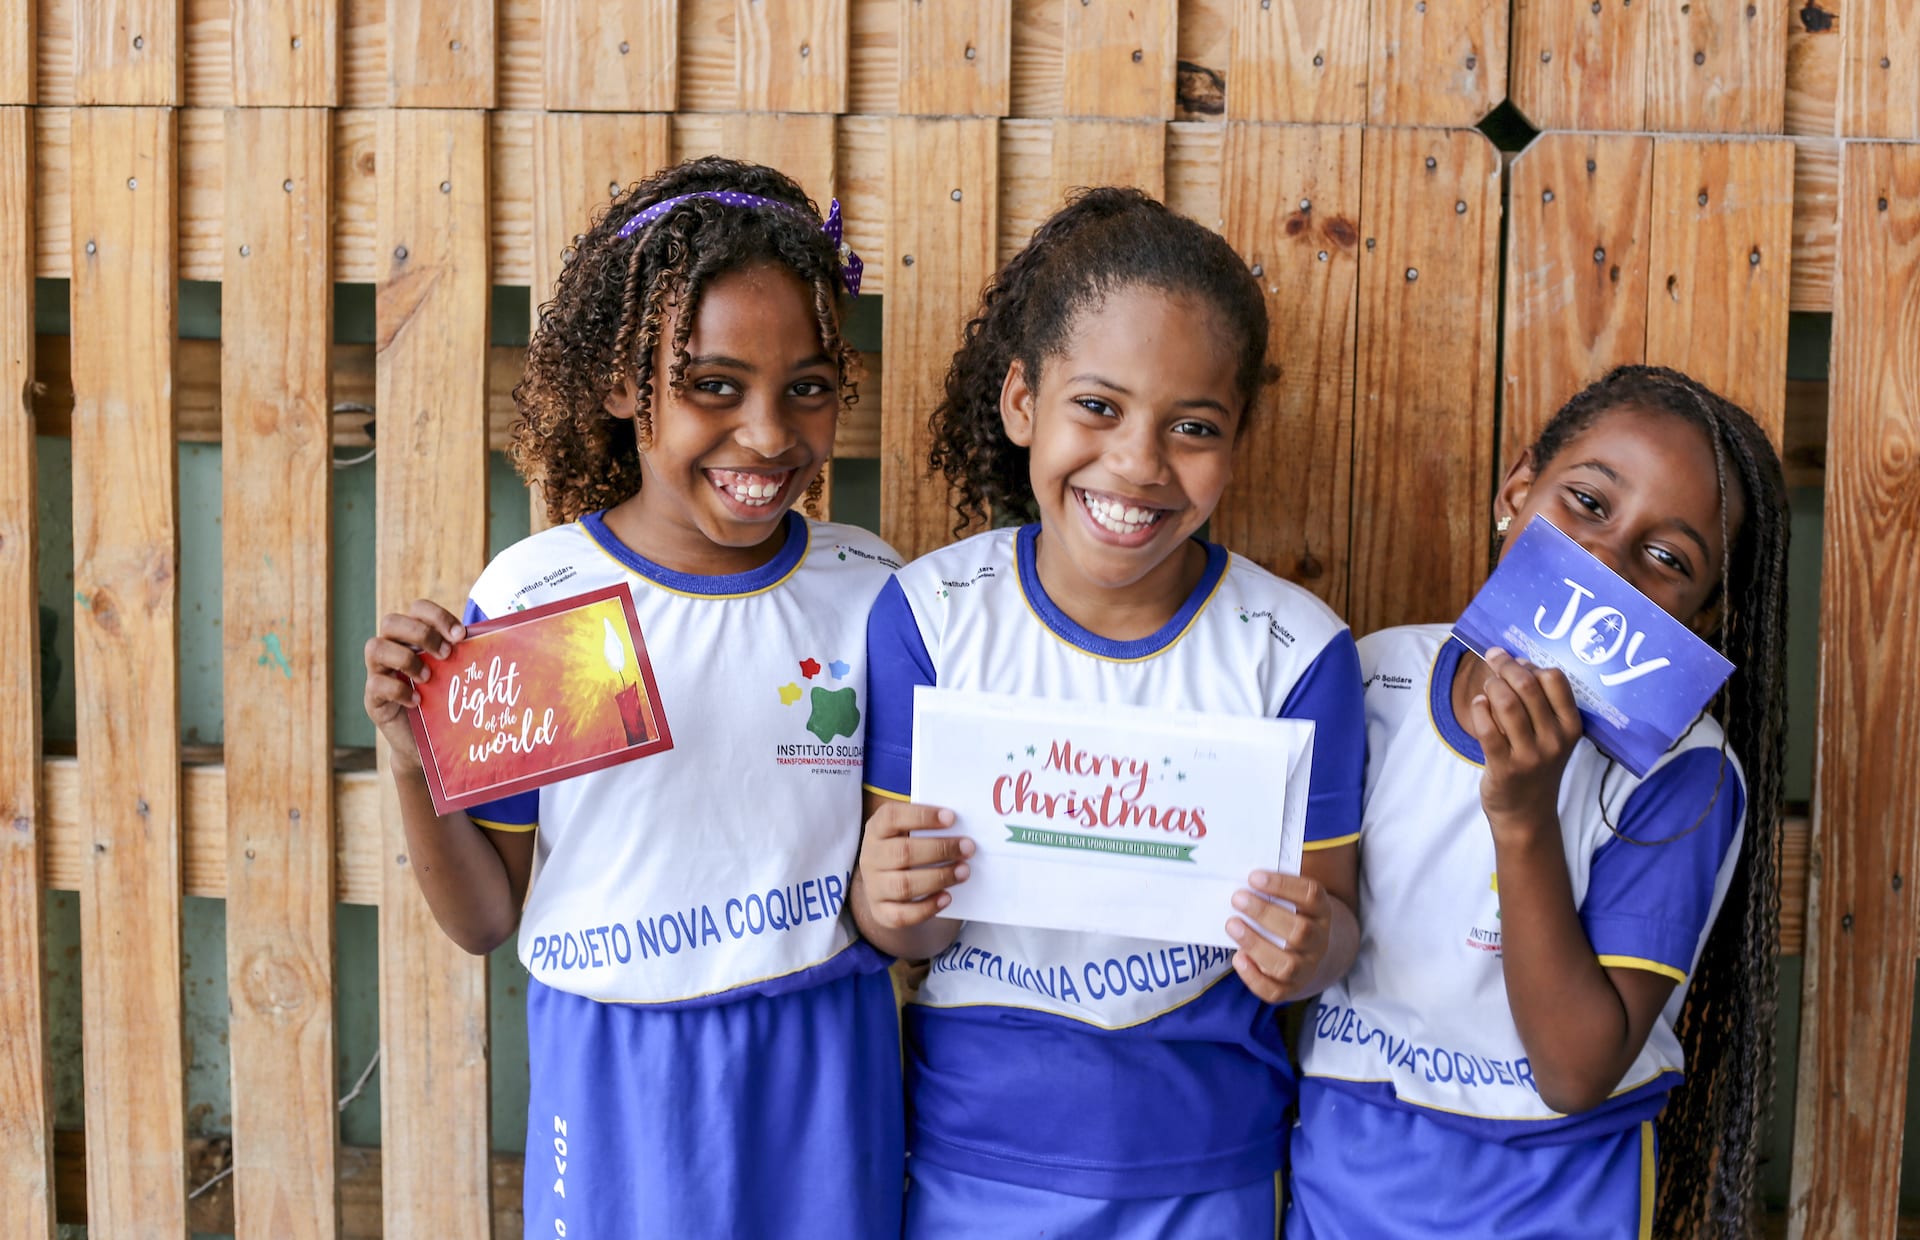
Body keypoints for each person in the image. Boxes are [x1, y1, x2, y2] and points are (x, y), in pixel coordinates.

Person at [360, 157, 904, 1239]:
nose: (767, 433)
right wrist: (414, 758)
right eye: (714, 385)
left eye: (806, 386)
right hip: (616, 1066)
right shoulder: (543, 600)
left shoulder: (871, 591)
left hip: (824, 1048)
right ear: (621, 382)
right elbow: (484, 918)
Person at [852, 186, 1367, 1237]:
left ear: (1238, 439)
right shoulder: (931, 618)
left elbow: (1333, 929)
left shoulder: (1296, 653)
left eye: (1193, 427)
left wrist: (1311, 949)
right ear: (1021, 402)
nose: (1137, 463)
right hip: (969, 1157)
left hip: (1207, 1165)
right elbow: (909, 930)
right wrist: (886, 898)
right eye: (1098, 406)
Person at [1286, 366, 1790, 1239]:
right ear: (1516, 492)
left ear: (1702, 620)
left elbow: (1573, 1071)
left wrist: (1523, 817)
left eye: (1668, 559)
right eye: (1587, 503)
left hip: (1559, 1196)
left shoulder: (1685, 775)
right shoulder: (1371, 680)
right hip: (1346, 1167)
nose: (1604, 561)